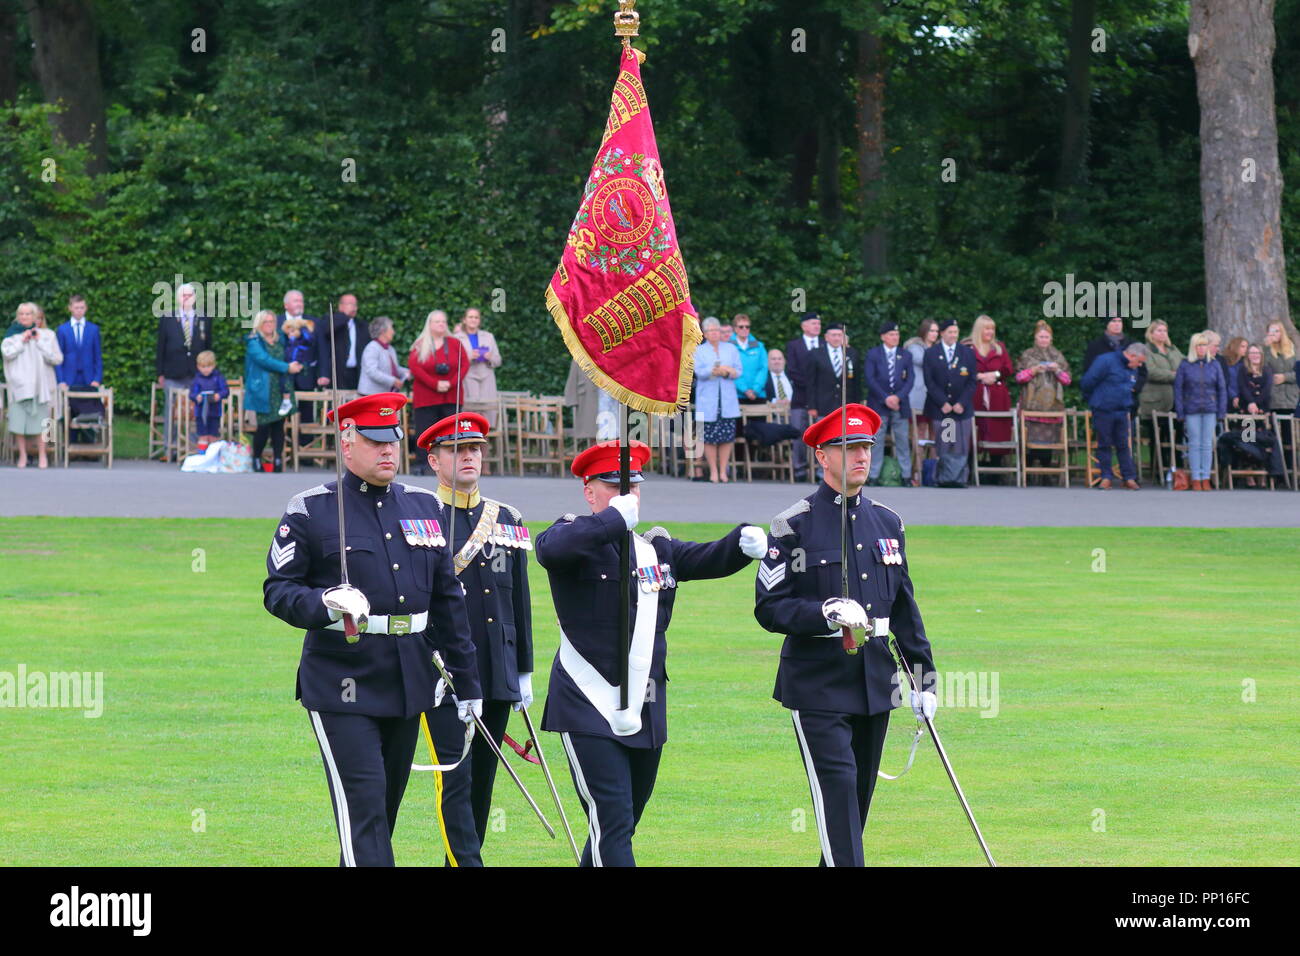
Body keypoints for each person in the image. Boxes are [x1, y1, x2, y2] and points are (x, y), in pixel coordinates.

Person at [263, 392, 481, 867]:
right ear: (347, 444)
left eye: (393, 440)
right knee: (362, 813)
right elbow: (278, 590)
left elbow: (448, 604)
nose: (388, 450)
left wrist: (468, 684)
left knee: (381, 813)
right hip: (342, 680)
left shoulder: (424, 506)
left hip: (408, 681)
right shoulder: (311, 509)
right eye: (374, 440)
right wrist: (322, 604)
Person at [536, 440, 765, 866]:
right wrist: (610, 521)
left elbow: (705, 558)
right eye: (614, 486)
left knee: (620, 824)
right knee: (613, 817)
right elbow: (550, 550)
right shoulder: (572, 535)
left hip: (645, 702)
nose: (628, 495)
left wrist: (740, 543)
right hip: (587, 702)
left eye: (633, 487)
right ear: (590, 492)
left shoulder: (655, 548)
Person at [754, 402, 937, 867]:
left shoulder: (887, 521)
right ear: (822, 456)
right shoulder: (791, 524)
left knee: (856, 805)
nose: (861, 456)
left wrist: (924, 681)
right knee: (836, 796)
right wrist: (825, 611)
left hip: (875, 683)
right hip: (817, 684)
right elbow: (770, 607)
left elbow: (904, 610)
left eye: (866, 447)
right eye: (849, 447)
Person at [415, 412, 533, 864]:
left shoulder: (508, 517)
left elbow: (518, 601)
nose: (469, 457)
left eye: (475, 449)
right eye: (456, 450)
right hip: (443, 672)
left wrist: (523, 670)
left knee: (482, 784)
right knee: (455, 779)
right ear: (434, 460)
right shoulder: (422, 517)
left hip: (496, 669)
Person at [3, 302, 63, 468]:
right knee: (19, 423)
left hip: (41, 387)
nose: (24, 317)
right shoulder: (12, 336)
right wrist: (22, 340)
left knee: (44, 423)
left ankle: (45, 454)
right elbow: (7, 354)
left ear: (35, 317)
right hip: (20, 387)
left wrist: (39, 342)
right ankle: (24, 455)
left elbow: (56, 358)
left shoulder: (47, 335)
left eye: (28, 314)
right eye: (21, 314)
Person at [156, 283, 212, 459]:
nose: (186, 298)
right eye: (183, 295)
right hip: (172, 372)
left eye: (190, 295)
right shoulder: (167, 318)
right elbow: (161, 346)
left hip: (196, 374)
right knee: (171, 412)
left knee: (197, 411)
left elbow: (208, 346)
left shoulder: (204, 318)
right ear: (178, 298)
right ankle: (169, 449)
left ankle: (194, 448)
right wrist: (160, 373)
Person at [1082, 343, 1147, 489]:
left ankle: (1128, 477)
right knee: (1104, 443)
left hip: (1123, 409)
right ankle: (1106, 477)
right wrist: (1097, 400)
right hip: (1103, 409)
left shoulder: (1132, 368)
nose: (1140, 365)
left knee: (1123, 444)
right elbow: (1088, 382)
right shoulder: (1105, 361)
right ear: (1131, 355)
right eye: (1139, 361)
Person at [244, 310, 303, 473]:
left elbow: (292, 349)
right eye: (266, 322)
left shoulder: (280, 339)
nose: (269, 325)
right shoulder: (254, 341)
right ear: (259, 324)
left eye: (272, 321)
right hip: (263, 388)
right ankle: (256, 458)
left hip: (281, 387)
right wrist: (287, 367)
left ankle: (278, 460)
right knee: (263, 425)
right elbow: (264, 360)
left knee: (279, 425)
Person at [922, 318, 977, 487]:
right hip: (942, 409)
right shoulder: (931, 353)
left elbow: (972, 381)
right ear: (942, 333)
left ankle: (960, 478)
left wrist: (962, 402)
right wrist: (942, 402)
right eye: (950, 332)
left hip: (961, 408)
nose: (953, 335)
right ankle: (944, 477)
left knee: (960, 443)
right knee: (945, 442)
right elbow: (929, 382)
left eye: (956, 332)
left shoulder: (966, 352)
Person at [1015, 320, 1071, 479]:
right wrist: (1033, 371)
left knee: (1048, 444)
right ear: (1035, 338)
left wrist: (1057, 370)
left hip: (1052, 407)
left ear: (1051, 338)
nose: (1043, 340)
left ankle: (1047, 474)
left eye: (1046, 337)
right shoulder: (1027, 355)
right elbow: (1019, 378)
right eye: (1041, 337)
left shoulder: (1058, 356)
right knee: (1029, 443)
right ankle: (1028, 475)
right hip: (1031, 406)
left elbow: (1067, 381)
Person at [1174, 332, 1227, 491]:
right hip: (1192, 408)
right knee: (1194, 443)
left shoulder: (1215, 364)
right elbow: (1178, 389)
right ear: (1193, 347)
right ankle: (1196, 477)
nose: (1202, 348)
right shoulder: (1185, 364)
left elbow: (1222, 389)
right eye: (1199, 345)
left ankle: (1206, 477)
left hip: (1210, 408)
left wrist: (1221, 412)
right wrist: (1180, 412)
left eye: (1204, 345)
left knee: (1207, 444)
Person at [693, 316, 743, 482]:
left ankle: (723, 471)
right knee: (709, 437)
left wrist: (728, 371)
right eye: (711, 331)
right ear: (705, 334)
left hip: (726, 398)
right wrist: (714, 370)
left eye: (717, 330)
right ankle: (713, 471)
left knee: (727, 437)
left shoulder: (731, 349)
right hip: (708, 398)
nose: (715, 333)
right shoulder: (699, 350)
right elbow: (698, 372)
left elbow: (738, 370)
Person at [409, 310, 469, 445]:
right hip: (426, 398)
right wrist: (435, 384)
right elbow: (414, 367)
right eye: (437, 321)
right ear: (429, 324)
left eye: (443, 321)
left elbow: (464, 365)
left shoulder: (455, 344)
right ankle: (423, 464)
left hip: (451, 396)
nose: (441, 324)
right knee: (425, 433)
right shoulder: (420, 345)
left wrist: (451, 383)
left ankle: (449, 465)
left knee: (450, 434)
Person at [863, 320, 912, 486]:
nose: (895, 337)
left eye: (897, 334)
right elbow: (870, 379)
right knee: (876, 440)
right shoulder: (873, 354)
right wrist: (886, 398)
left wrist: (897, 397)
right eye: (891, 334)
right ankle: (874, 475)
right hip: (879, 403)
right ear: (883, 337)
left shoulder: (905, 355)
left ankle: (906, 475)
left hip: (900, 403)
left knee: (903, 439)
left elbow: (910, 380)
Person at [55, 294, 104, 441]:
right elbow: (58, 357)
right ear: (70, 308)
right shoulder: (62, 330)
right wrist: (61, 380)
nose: (79, 310)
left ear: (86, 308)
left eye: (82, 307)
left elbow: (97, 356)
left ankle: (89, 445)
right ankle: (71, 443)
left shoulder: (93, 329)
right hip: (70, 378)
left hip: (88, 378)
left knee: (88, 410)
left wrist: (97, 378)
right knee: (70, 411)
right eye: (76, 307)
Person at [965, 315, 1014, 462]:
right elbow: (962, 371)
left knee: (997, 430)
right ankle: (969, 467)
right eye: (987, 328)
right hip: (975, 395)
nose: (990, 332)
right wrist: (979, 376)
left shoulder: (999, 347)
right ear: (979, 329)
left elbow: (1008, 369)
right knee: (973, 430)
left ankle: (995, 468)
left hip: (997, 397)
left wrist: (996, 374)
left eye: (992, 329)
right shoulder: (968, 348)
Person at [785, 312, 823, 480]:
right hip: (800, 398)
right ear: (804, 326)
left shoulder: (825, 344)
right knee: (799, 433)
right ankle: (799, 469)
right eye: (813, 323)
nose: (817, 326)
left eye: (818, 323)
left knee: (822, 436)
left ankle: (821, 470)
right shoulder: (794, 345)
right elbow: (792, 371)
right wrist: (812, 387)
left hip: (822, 399)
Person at [453, 308, 502, 426]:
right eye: (470, 317)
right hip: (468, 377)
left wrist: (490, 357)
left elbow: (498, 360)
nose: (473, 320)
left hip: (487, 378)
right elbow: (452, 362)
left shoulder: (489, 336)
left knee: (486, 413)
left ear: (479, 321)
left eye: (476, 317)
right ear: (464, 320)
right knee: (469, 413)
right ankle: (469, 443)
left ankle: (485, 443)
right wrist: (469, 356)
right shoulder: (456, 337)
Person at [317, 293, 369, 391]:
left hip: (355, 373)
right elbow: (327, 330)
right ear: (341, 306)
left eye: (355, 304)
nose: (353, 307)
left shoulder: (361, 325)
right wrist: (344, 316)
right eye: (350, 304)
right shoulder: (331, 320)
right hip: (337, 373)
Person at [282, 316, 319, 441]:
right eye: (289, 332)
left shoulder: (306, 338)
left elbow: (310, 340)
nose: (290, 334)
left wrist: (301, 329)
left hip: (305, 379)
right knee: (287, 413)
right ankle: (288, 446)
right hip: (289, 380)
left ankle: (306, 447)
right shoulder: (289, 343)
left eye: (292, 331)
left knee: (307, 413)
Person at [904, 319, 939, 444]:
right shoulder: (914, 347)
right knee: (920, 430)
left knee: (936, 431)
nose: (934, 334)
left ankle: (934, 463)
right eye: (931, 331)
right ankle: (919, 462)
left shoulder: (938, 348)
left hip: (936, 396)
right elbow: (922, 360)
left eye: (936, 331)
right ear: (924, 331)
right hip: (919, 395)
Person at [359, 316, 410, 397]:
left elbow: (395, 369)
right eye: (391, 329)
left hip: (383, 395)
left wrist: (407, 371)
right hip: (369, 395)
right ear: (383, 331)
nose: (393, 332)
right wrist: (393, 381)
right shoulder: (372, 347)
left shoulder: (390, 349)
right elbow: (372, 371)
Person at [189, 350, 230, 448]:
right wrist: (196, 397)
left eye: (208, 366)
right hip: (200, 413)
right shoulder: (197, 379)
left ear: (214, 365)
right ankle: (203, 458)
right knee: (203, 436)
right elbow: (192, 393)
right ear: (198, 367)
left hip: (215, 412)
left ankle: (213, 457)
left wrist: (218, 395)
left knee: (213, 436)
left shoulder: (218, 377)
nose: (206, 369)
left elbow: (225, 390)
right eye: (203, 367)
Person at [730, 313, 768, 405]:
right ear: (735, 329)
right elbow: (731, 370)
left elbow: (763, 369)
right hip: (736, 396)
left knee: (760, 420)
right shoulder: (728, 347)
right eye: (741, 327)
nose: (744, 329)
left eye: (747, 327)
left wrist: (755, 390)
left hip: (758, 395)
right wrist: (745, 390)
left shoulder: (759, 346)